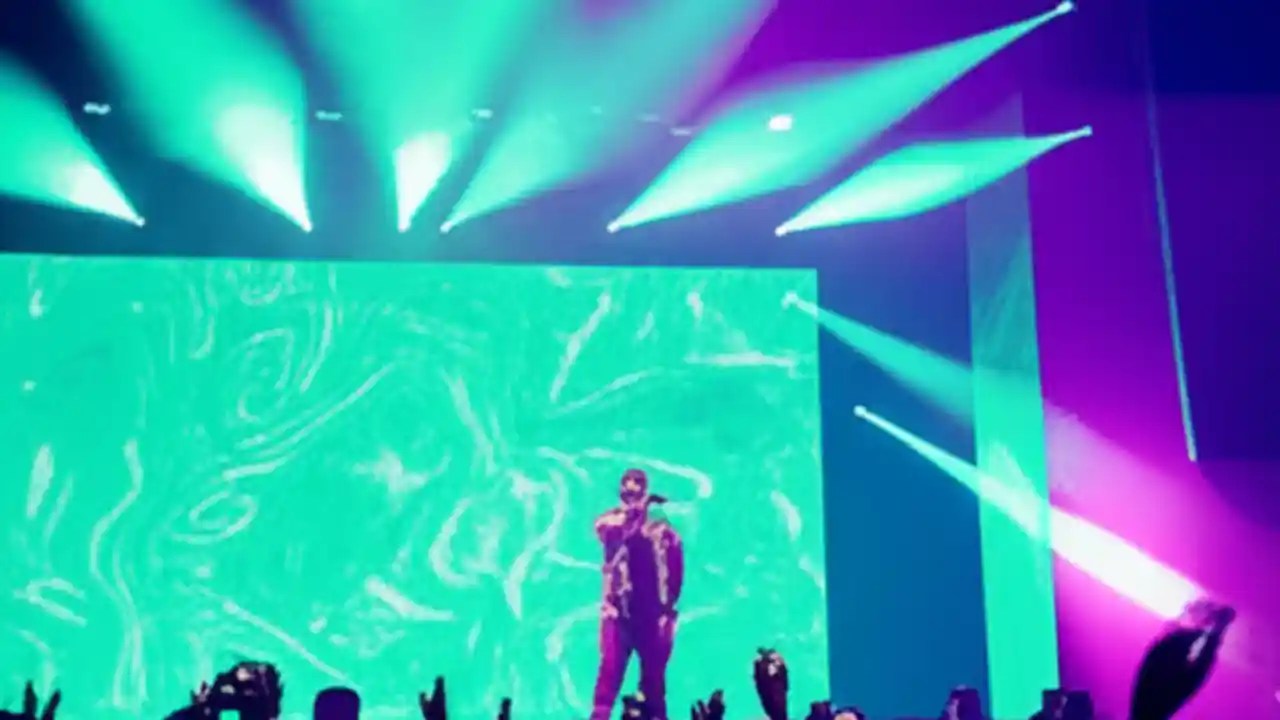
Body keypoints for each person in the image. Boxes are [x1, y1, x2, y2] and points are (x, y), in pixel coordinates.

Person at [590, 468, 684, 720]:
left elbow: (674, 564)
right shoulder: (611, 524)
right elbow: (603, 528)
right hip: (618, 616)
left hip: (651, 618)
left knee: (654, 690)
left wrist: (668, 612)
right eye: (626, 490)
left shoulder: (660, 530)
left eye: (637, 490)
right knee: (605, 689)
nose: (631, 496)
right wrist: (636, 514)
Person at [1130, 600, 1236, 720]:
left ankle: (1215, 625)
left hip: (1156, 698)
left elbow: (1191, 675)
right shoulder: (1182, 640)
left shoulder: (1189, 642)